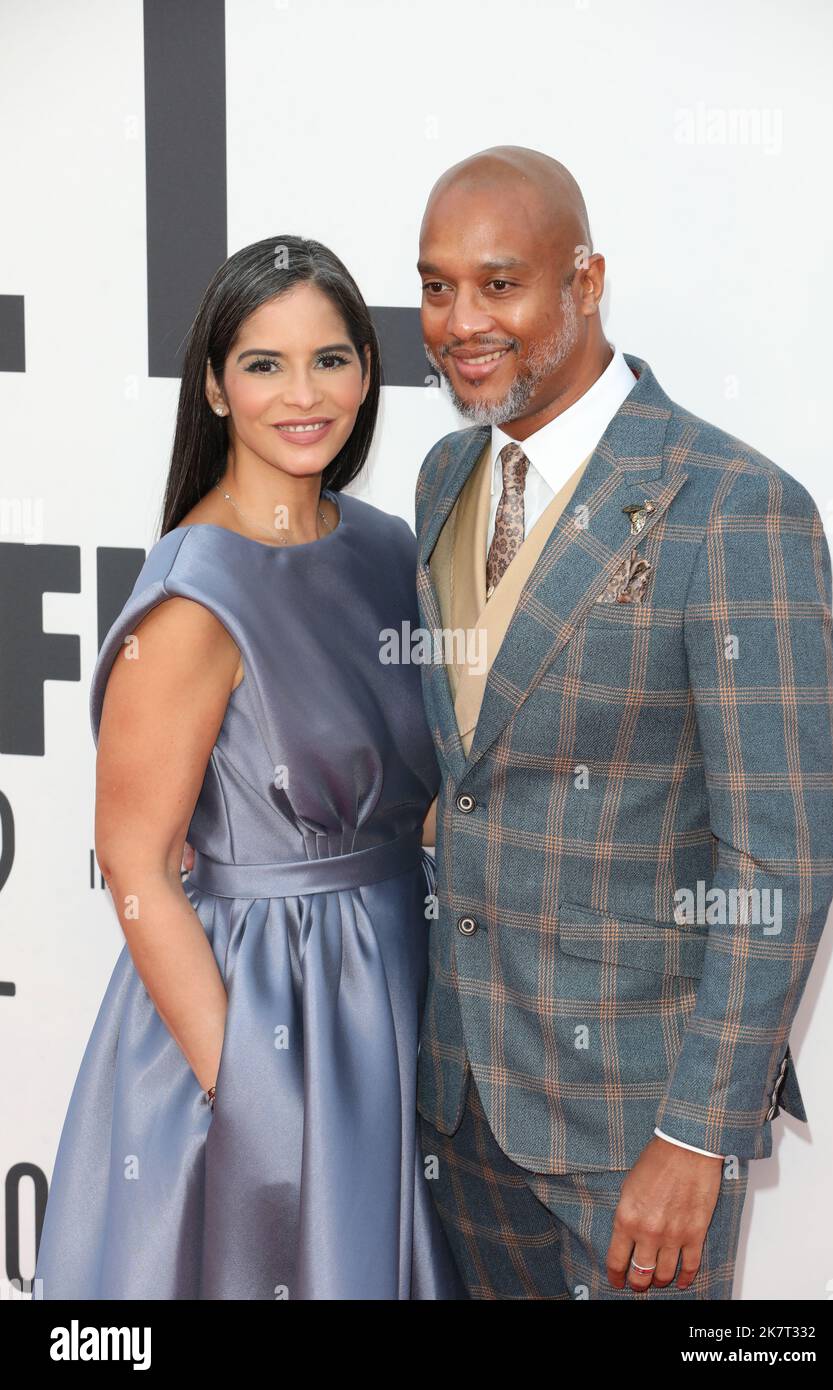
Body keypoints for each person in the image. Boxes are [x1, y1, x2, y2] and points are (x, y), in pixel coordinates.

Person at [412, 146, 833, 1299]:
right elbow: (473, 770)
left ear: (585, 281)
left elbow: (783, 855)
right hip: (460, 1109)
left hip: (635, 1134)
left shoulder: (732, 505)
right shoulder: (444, 476)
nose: (459, 321)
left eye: (498, 283)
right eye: (436, 286)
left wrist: (697, 1131)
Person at [34, 235, 465, 1301]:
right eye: (264, 364)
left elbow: (423, 795)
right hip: (263, 1002)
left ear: (367, 371)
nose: (303, 394)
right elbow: (133, 860)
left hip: (398, 983)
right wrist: (252, 1091)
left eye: (330, 359)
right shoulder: (196, 594)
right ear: (217, 388)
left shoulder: (386, 548)